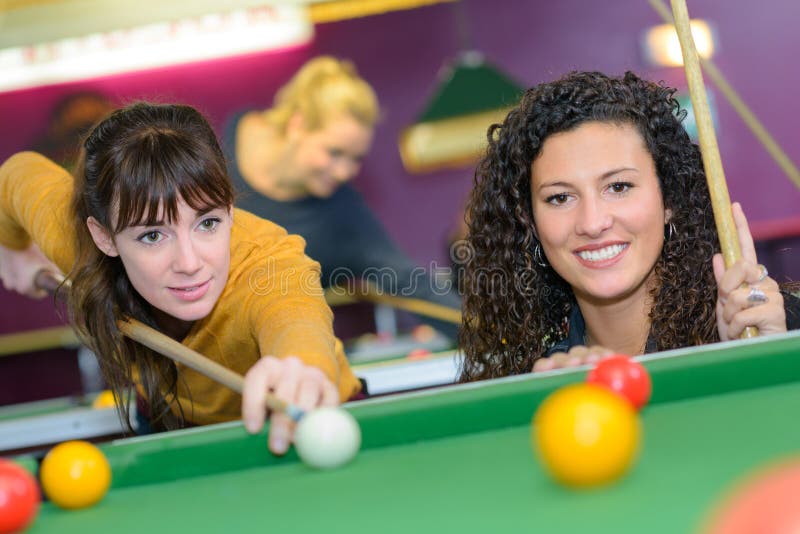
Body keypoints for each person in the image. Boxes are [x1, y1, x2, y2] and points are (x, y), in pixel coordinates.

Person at [0, 103, 361, 455]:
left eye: (208, 223)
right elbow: (18, 172)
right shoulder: (77, 241)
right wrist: (12, 247)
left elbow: (295, 316)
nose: (189, 263)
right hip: (169, 418)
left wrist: (304, 365)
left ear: (231, 211)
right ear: (104, 237)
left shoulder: (266, 266)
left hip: (299, 421)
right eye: (153, 235)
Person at [458, 71, 800, 381]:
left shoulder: (774, 328)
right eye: (560, 198)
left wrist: (765, 365)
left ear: (670, 201)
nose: (592, 223)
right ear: (529, 220)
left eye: (619, 187)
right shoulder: (533, 383)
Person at [223, 56, 461, 338]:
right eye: (334, 152)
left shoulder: (344, 217)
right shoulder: (216, 150)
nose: (344, 172)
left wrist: (499, 337)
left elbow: (411, 283)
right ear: (298, 125)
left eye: (356, 158)